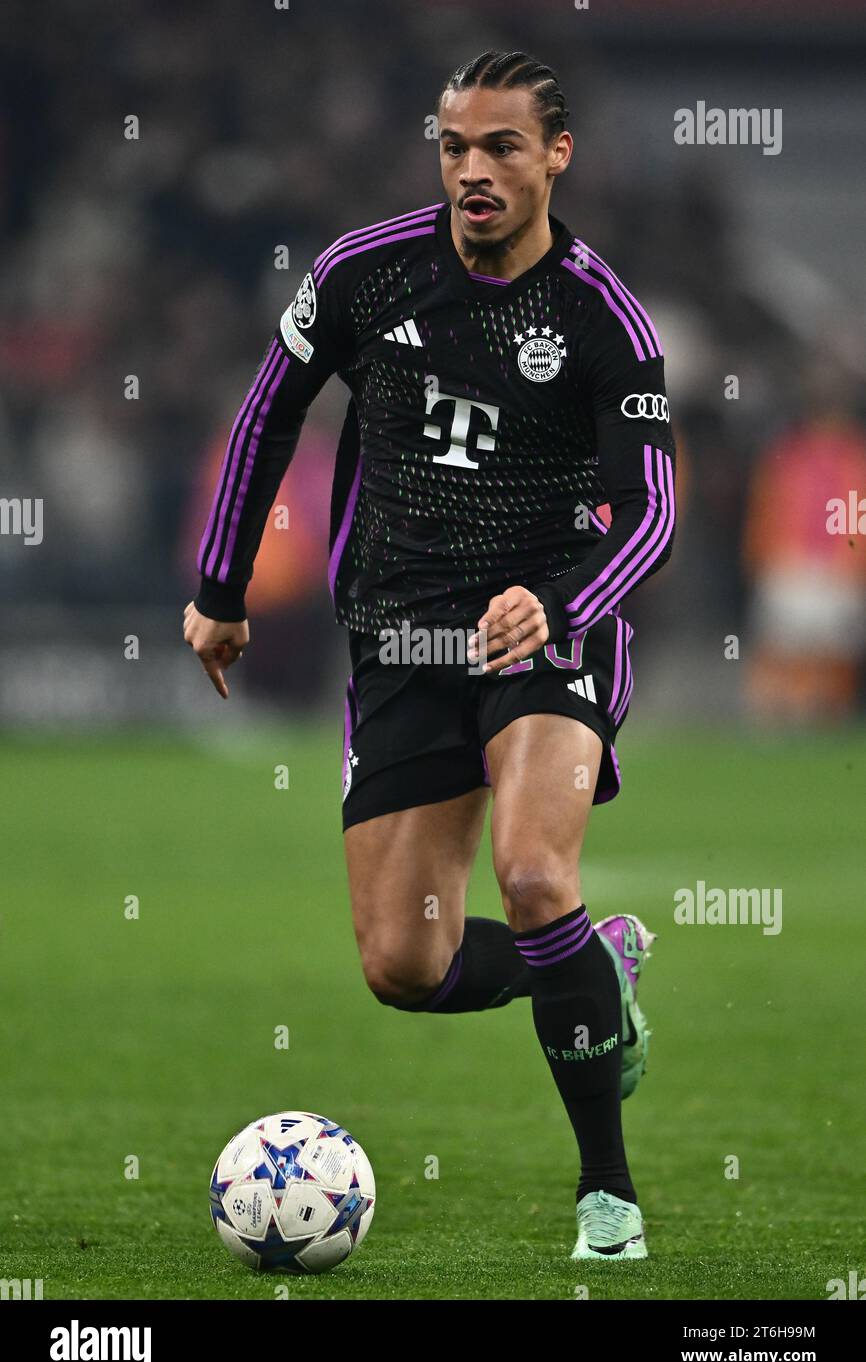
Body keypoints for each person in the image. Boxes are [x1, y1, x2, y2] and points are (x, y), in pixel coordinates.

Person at [184, 50, 676, 1260]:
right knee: (407, 963)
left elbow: (653, 510)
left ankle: (603, 1198)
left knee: (531, 875)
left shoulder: (600, 315)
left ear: (554, 155)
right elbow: (266, 411)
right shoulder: (362, 271)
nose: (471, 169)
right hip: (399, 637)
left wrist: (558, 604)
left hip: (544, 634)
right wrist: (218, 587)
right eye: (453, 146)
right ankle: (589, 970)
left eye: (500, 146)